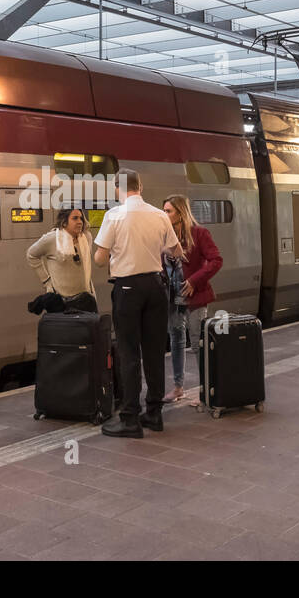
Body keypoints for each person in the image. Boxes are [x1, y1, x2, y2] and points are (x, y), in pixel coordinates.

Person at [93, 169, 181, 438]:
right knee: (154, 351)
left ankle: (130, 417)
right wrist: (151, 250)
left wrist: (118, 253)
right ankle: (154, 414)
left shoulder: (114, 215)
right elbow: (176, 251)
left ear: (116, 188)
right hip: (156, 286)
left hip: (128, 288)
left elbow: (99, 258)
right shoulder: (158, 214)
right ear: (140, 187)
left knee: (129, 353)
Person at [161, 195, 223, 403]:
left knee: (197, 343)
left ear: (180, 212)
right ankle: (178, 387)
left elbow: (216, 260)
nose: (165, 214)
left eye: (168, 211)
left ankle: (206, 389)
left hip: (195, 295)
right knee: (176, 341)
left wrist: (195, 281)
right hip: (172, 298)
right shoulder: (164, 236)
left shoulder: (199, 233)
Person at [26, 208, 97, 313]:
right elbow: (31, 255)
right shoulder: (52, 239)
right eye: (75, 218)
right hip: (61, 302)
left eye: (81, 218)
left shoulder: (86, 237)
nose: (80, 222)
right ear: (64, 222)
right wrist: (46, 280)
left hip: (86, 299)